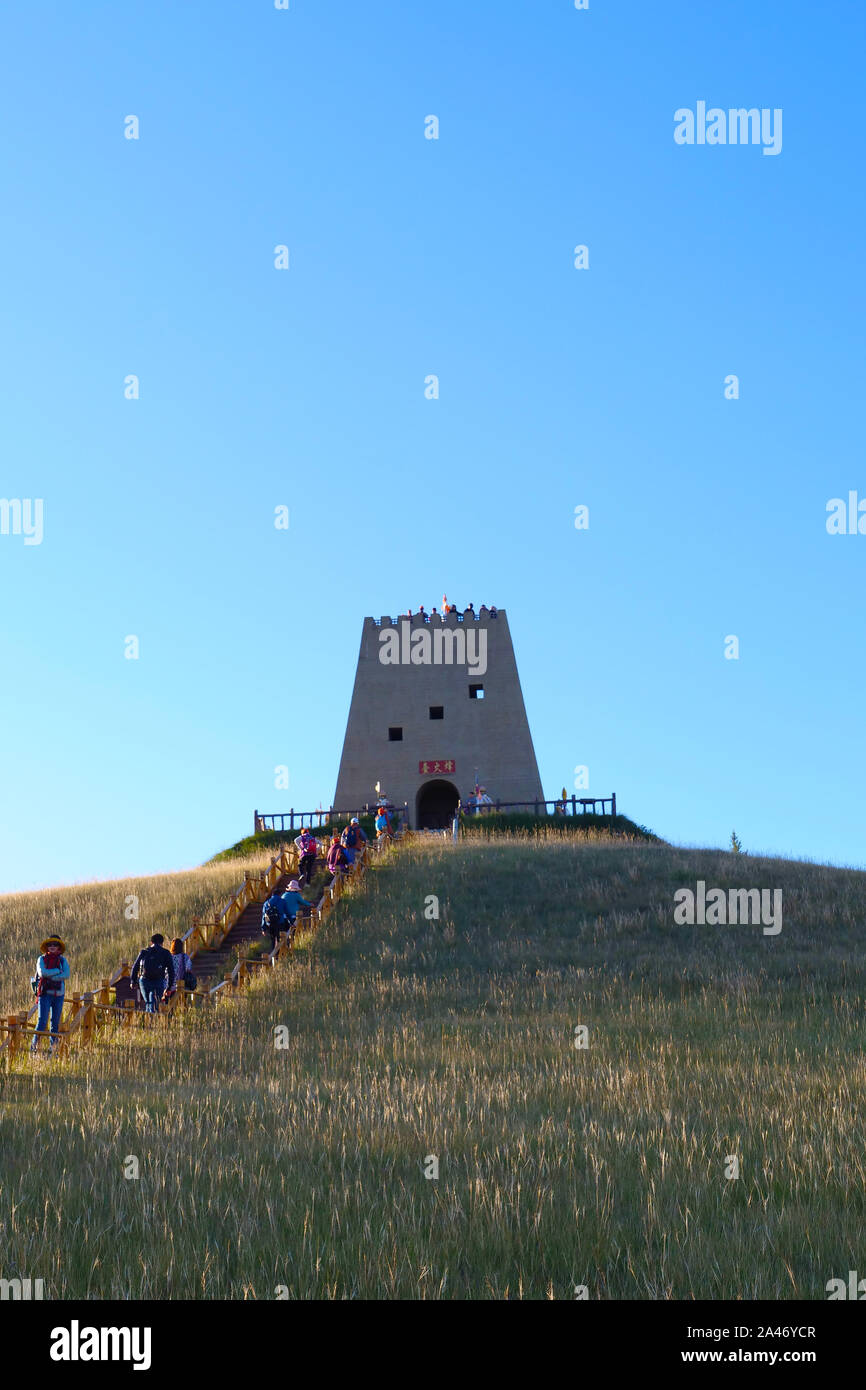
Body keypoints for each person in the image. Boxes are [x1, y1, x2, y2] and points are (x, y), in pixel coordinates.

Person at [30, 935, 70, 1056]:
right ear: (46, 946)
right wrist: (58, 972)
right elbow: (42, 973)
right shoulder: (41, 959)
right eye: (50, 944)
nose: (52, 947)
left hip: (59, 994)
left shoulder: (63, 960)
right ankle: (34, 1047)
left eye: (55, 944)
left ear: (59, 947)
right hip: (45, 994)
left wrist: (51, 976)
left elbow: (66, 975)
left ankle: (53, 1050)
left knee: (55, 1023)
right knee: (42, 1021)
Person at [130, 933, 174, 1014]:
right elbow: (171, 970)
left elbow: (135, 967)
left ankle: (148, 1019)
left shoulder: (144, 952)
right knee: (156, 1003)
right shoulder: (166, 953)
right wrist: (169, 987)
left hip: (144, 980)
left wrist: (133, 981)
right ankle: (154, 1019)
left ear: (151, 942)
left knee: (148, 1002)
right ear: (162, 942)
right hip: (159, 980)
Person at [261, 886, 292, 951]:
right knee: (280, 940)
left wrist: (263, 929)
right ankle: (281, 954)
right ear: (279, 894)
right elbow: (287, 913)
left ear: (272, 895)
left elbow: (264, 916)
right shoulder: (282, 901)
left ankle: (273, 955)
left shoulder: (266, 903)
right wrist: (291, 922)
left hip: (270, 924)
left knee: (273, 940)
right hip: (280, 923)